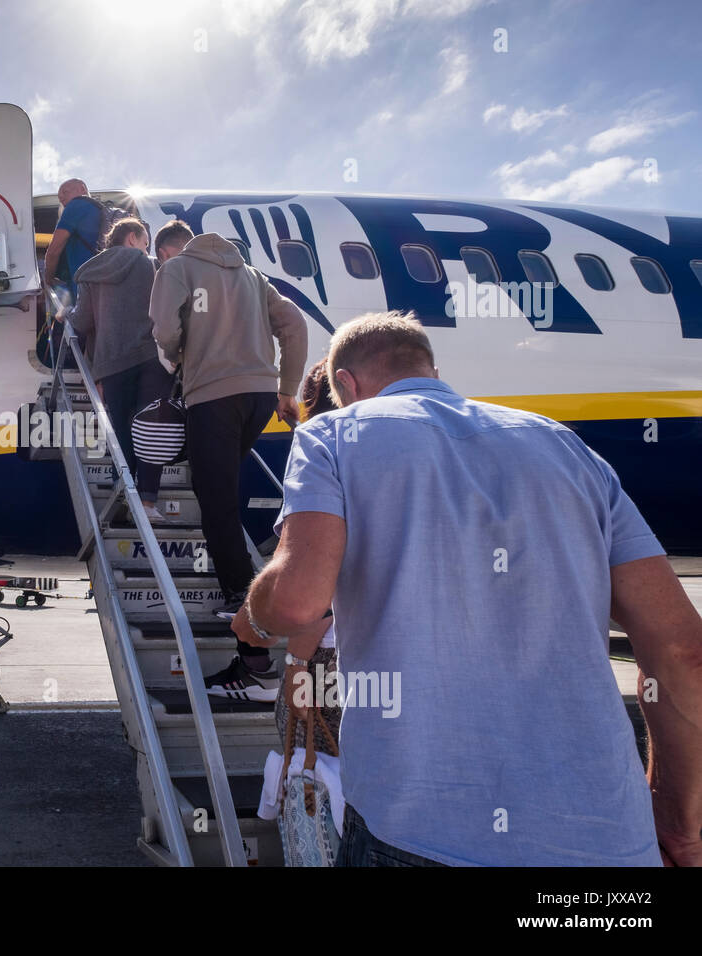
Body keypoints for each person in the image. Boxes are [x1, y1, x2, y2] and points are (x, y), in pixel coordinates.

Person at [234, 310, 702, 866]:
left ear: (345, 385)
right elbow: (681, 653)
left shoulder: (334, 436)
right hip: (605, 843)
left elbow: (298, 599)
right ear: (432, 369)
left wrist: (254, 621)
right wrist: (678, 823)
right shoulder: (568, 449)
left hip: (420, 835)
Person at [149, 227, 307, 701]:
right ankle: (251, 641)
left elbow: (161, 326)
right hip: (259, 397)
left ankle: (244, 601)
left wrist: (178, 356)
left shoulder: (176, 269)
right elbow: (294, 325)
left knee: (216, 500)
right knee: (223, 494)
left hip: (212, 395)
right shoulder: (254, 276)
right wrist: (286, 388)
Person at [69, 217, 172, 520]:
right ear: (131, 238)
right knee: (152, 427)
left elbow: (83, 321)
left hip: (112, 362)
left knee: (122, 431)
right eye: (144, 241)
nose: (146, 247)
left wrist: (66, 317)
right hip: (150, 356)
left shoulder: (90, 273)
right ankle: (149, 503)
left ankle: (124, 494)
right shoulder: (149, 265)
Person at [276, 360, 342, 749]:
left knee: (310, 758)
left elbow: (313, 584)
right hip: (391, 652)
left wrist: (296, 663)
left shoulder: (320, 456)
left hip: (327, 653)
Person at [42, 179, 101, 302]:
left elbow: (53, 251)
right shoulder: (98, 210)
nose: (61, 198)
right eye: (59, 197)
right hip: (102, 283)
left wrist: (48, 279)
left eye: (65, 191)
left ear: (82, 189)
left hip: (84, 285)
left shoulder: (76, 205)